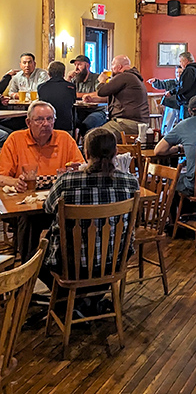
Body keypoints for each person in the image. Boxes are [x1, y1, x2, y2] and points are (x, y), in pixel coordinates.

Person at [42, 127, 139, 282]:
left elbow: (47, 209)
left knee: (39, 249)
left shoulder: (66, 181)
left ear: (86, 153)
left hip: (72, 265)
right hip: (113, 262)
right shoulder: (130, 182)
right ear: (116, 152)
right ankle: (91, 299)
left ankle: (75, 301)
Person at [0, 100, 84, 259]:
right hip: (25, 204)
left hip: (57, 204)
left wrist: (75, 170)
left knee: (78, 216)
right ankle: (29, 268)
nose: (45, 124)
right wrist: (15, 182)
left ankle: (66, 264)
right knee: (28, 221)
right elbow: (1, 176)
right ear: (28, 122)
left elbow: (80, 167)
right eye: (39, 120)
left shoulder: (64, 139)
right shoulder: (15, 139)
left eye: (50, 119)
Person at [153, 95, 196, 195]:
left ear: (190, 111)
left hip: (195, 186)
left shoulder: (183, 125)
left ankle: (177, 210)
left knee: (173, 180)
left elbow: (158, 150)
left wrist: (178, 148)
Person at [84, 55, 150, 141]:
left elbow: (101, 91)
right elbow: (121, 98)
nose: (111, 68)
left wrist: (102, 81)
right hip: (139, 123)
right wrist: (94, 99)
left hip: (126, 122)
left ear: (119, 67)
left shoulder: (124, 76)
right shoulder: (134, 77)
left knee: (95, 138)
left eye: (112, 65)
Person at [150, 52, 196, 120]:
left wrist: (171, 92)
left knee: (185, 126)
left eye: (180, 61)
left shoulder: (189, 70)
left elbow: (183, 87)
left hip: (188, 104)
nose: (180, 64)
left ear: (186, 60)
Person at [68, 54, 108, 134]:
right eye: (75, 65)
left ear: (87, 66)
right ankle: (73, 144)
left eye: (79, 65)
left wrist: (82, 95)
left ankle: (86, 144)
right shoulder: (75, 80)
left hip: (96, 111)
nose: (76, 68)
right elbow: (67, 93)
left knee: (87, 124)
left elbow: (100, 93)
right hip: (80, 111)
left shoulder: (97, 78)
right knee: (68, 121)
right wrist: (68, 79)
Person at [37, 61, 77, 133]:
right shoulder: (71, 87)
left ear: (49, 74)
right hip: (66, 125)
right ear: (64, 73)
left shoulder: (41, 87)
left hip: (47, 124)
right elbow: (72, 102)